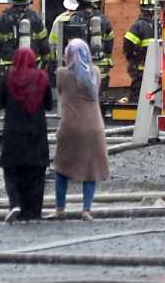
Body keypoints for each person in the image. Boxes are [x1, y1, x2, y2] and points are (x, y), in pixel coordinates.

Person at [51, 37, 109, 216]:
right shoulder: (96, 73)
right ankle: (86, 210)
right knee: (91, 170)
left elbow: (60, 91)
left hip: (70, 127)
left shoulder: (62, 74)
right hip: (94, 128)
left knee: (61, 168)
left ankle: (60, 209)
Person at [0, 46, 53, 222]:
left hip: (13, 132)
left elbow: (0, 103)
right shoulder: (42, 78)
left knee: (12, 170)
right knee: (36, 173)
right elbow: (49, 104)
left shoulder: (8, 77)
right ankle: (34, 211)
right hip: (36, 132)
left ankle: (15, 204)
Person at [0, 0, 53, 94]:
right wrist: (46, 61)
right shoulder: (35, 18)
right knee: (30, 95)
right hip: (31, 66)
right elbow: (44, 42)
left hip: (8, 66)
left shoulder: (2, 19)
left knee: (10, 96)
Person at [121, 0, 157, 85]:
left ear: (142, 10)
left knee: (138, 90)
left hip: (142, 69)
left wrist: (132, 58)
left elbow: (128, 44)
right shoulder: (160, 25)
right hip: (157, 67)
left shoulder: (139, 25)